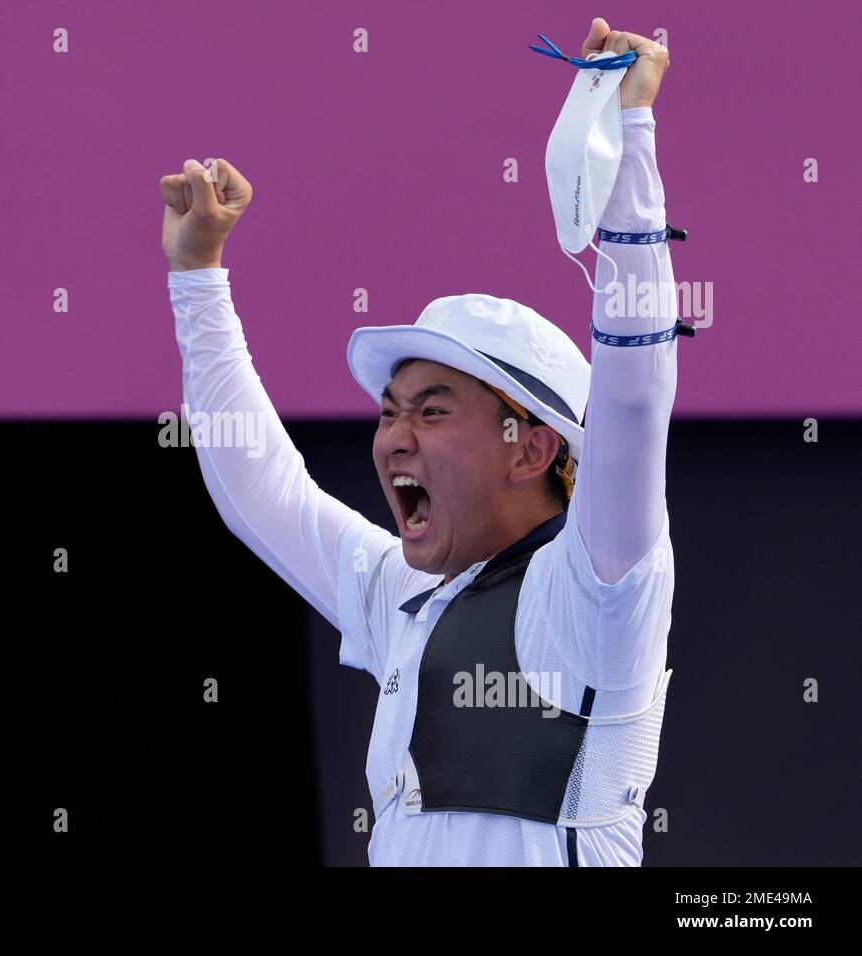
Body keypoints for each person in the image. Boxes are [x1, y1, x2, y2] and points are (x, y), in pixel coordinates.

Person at [161, 19, 677, 866]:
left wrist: (630, 139)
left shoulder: (599, 588)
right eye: (389, 411)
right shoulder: (399, 592)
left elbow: (637, 392)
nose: (392, 438)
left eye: (432, 411)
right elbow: (262, 491)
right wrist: (198, 278)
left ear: (531, 448)